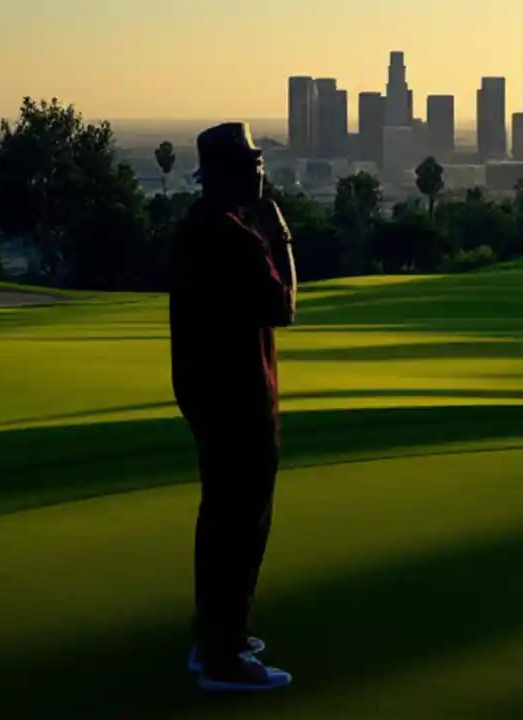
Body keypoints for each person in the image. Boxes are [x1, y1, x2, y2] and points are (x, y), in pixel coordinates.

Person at [169, 122, 297, 692]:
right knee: (242, 523)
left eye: (260, 162)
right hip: (240, 399)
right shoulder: (236, 236)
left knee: (222, 519)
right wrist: (282, 237)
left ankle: (219, 636)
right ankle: (221, 654)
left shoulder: (197, 227)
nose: (261, 172)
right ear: (226, 176)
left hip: (208, 395)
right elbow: (283, 307)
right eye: (252, 165)